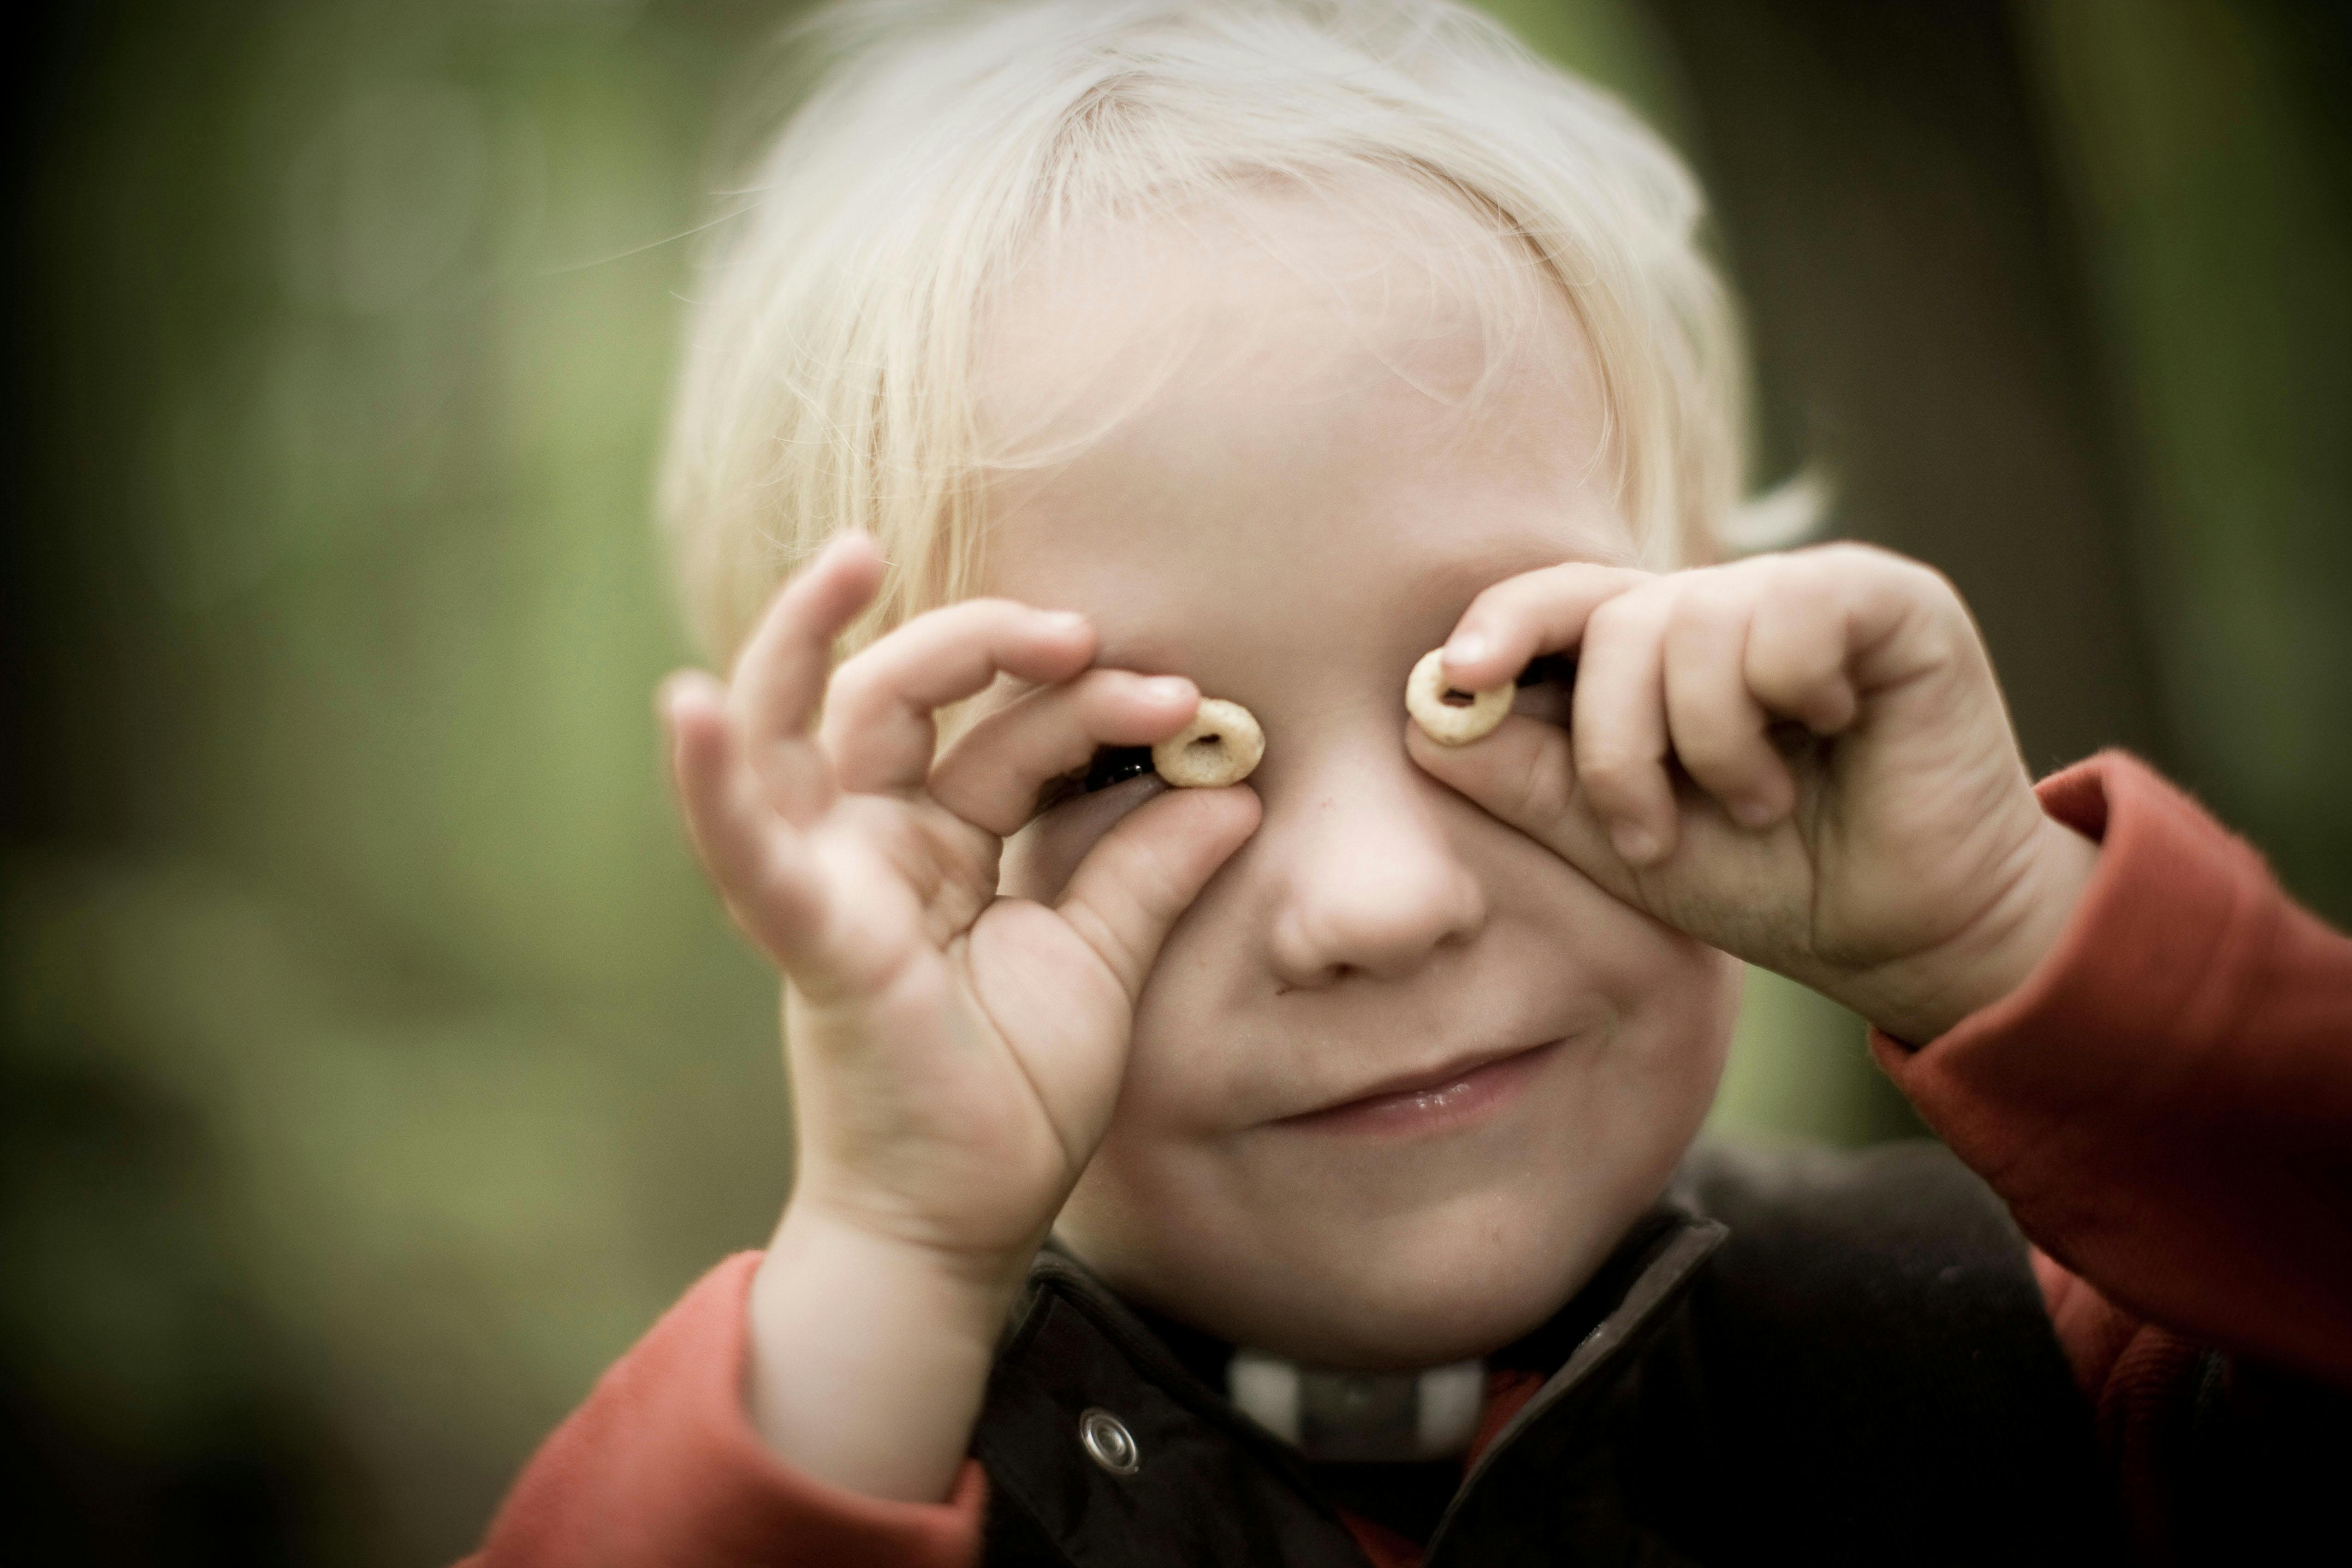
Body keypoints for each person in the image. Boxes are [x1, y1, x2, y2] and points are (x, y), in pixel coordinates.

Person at [465, 2, 2352, 1562]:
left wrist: (2017, 933)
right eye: (1124, 759)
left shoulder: (2058, 1367)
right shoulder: (871, 1476)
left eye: (1515, 677)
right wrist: (886, 1248)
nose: (1377, 903)